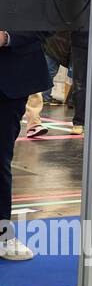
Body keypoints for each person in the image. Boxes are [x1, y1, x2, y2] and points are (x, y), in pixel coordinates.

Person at [0, 27, 50, 260]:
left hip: (9, 79)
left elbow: (48, 20)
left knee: (0, 160)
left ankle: (2, 236)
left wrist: (7, 37)